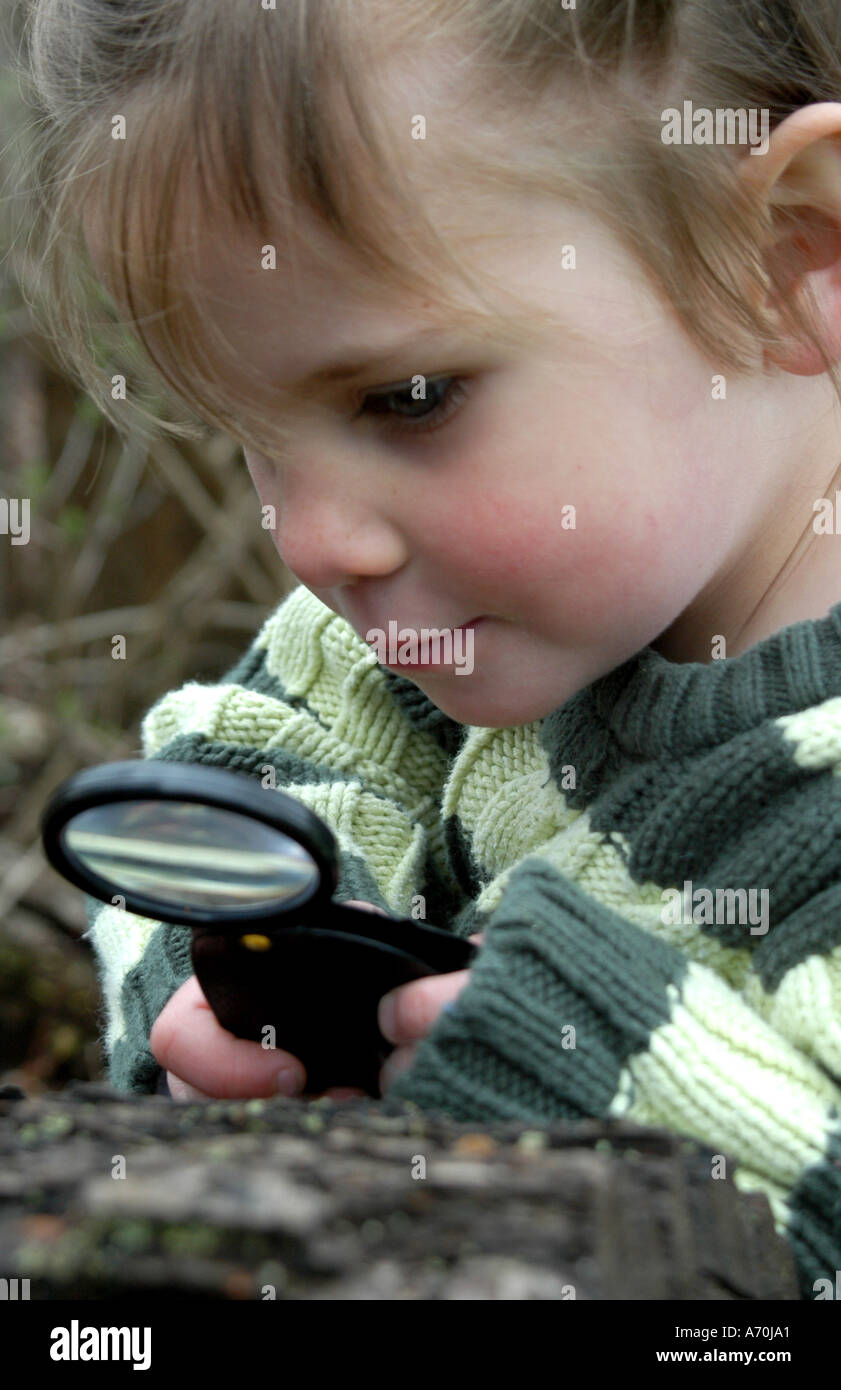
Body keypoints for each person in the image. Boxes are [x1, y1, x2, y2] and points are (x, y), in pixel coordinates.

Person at [13, 0, 841, 1298]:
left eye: (406, 400)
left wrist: (588, 1095)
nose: (313, 539)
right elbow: (215, 780)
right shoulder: (432, 636)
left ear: (788, 250)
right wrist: (221, 976)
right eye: (253, 434)